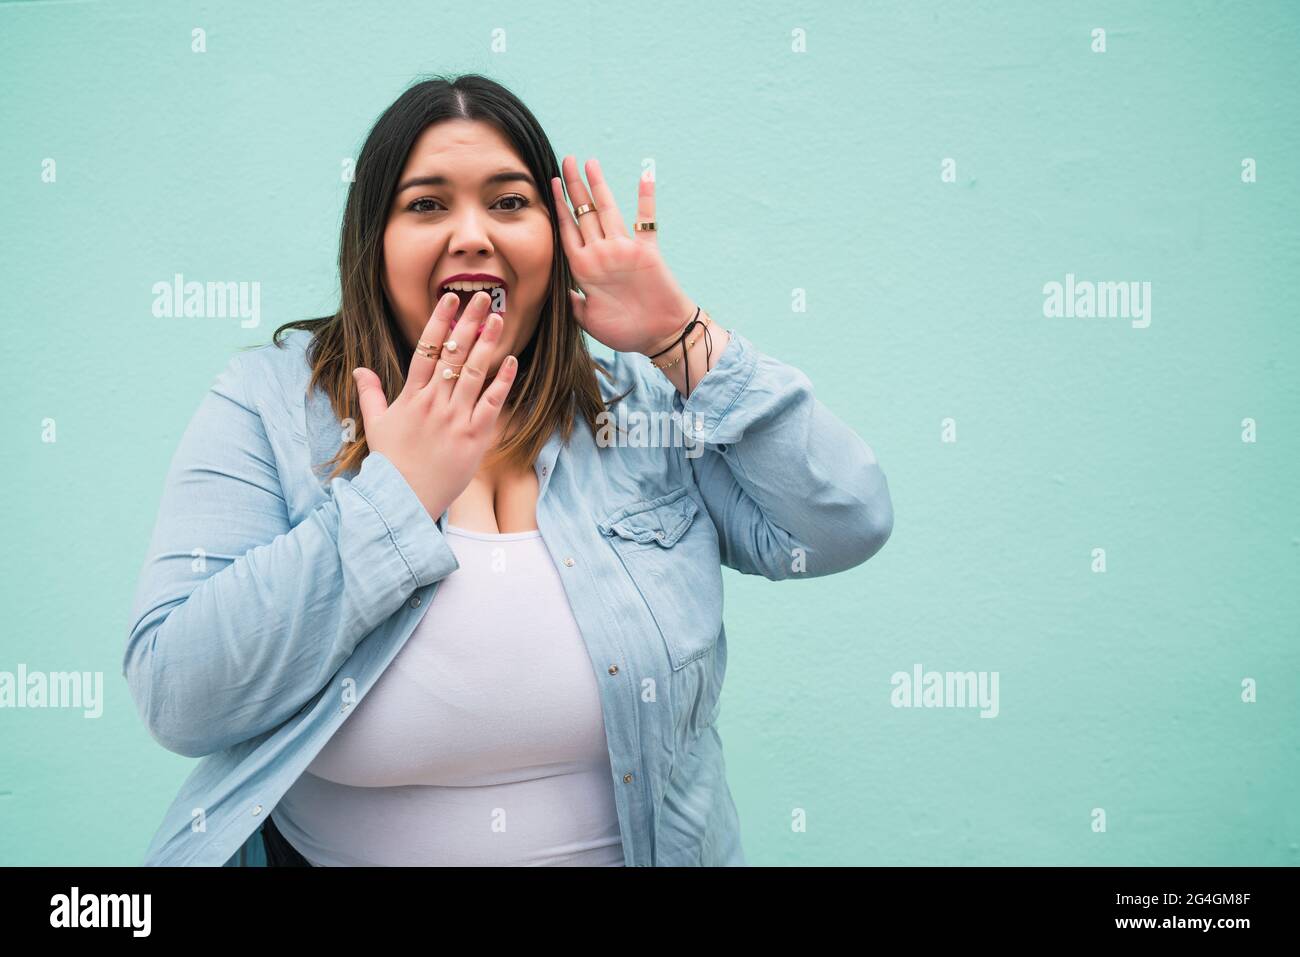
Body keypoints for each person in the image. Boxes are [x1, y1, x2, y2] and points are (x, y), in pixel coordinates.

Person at [124, 73, 894, 867]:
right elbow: (180, 697)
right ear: (374, 243)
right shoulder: (270, 401)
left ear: (555, 238)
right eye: (426, 204)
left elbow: (844, 522)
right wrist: (396, 500)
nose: (472, 235)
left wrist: (678, 334)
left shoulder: (637, 408)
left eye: (509, 202)